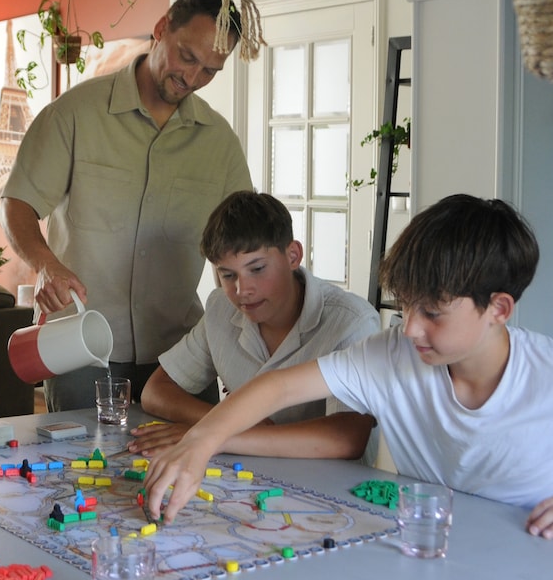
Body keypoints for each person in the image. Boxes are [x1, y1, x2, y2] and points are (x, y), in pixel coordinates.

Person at [144, 194, 553, 541]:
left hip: (539, 565)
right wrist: (201, 443)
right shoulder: (395, 357)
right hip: (430, 550)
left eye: (432, 313)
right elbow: (277, 387)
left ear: (498, 308)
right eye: (405, 306)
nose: (410, 328)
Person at [0, 0, 254, 412]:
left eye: (210, 70)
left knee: (195, 474)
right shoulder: (74, 114)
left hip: (181, 355)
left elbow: (245, 240)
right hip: (80, 344)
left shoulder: (220, 142)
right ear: (161, 29)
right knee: (79, 474)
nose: (192, 78)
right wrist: (47, 265)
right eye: (187, 57)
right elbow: (17, 204)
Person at [129, 190, 380, 460]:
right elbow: (156, 391)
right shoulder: (220, 308)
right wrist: (222, 423)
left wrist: (218, 434)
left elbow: (348, 439)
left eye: (257, 269)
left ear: (293, 256)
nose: (242, 289)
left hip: (329, 488)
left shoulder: (351, 321)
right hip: (246, 480)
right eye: (227, 275)